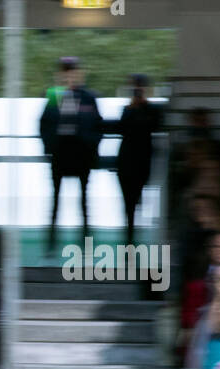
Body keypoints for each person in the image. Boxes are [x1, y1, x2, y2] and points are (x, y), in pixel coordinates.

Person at [39, 57, 103, 250]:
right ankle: (51, 243)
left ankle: (85, 242)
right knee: (56, 199)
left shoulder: (88, 97)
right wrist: (50, 149)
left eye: (72, 70)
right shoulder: (54, 96)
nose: (69, 74)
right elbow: (44, 124)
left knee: (83, 199)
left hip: (82, 154)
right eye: (65, 71)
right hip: (60, 153)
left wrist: (91, 148)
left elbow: (98, 125)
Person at [115, 74, 162, 244]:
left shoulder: (153, 110)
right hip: (126, 161)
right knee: (129, 203)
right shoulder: (127, 109)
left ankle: (132, 237)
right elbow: (122, 129)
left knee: (135, 201)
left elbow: (150, 127)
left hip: (141, 162)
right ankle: (129, 238)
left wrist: (138, 108)